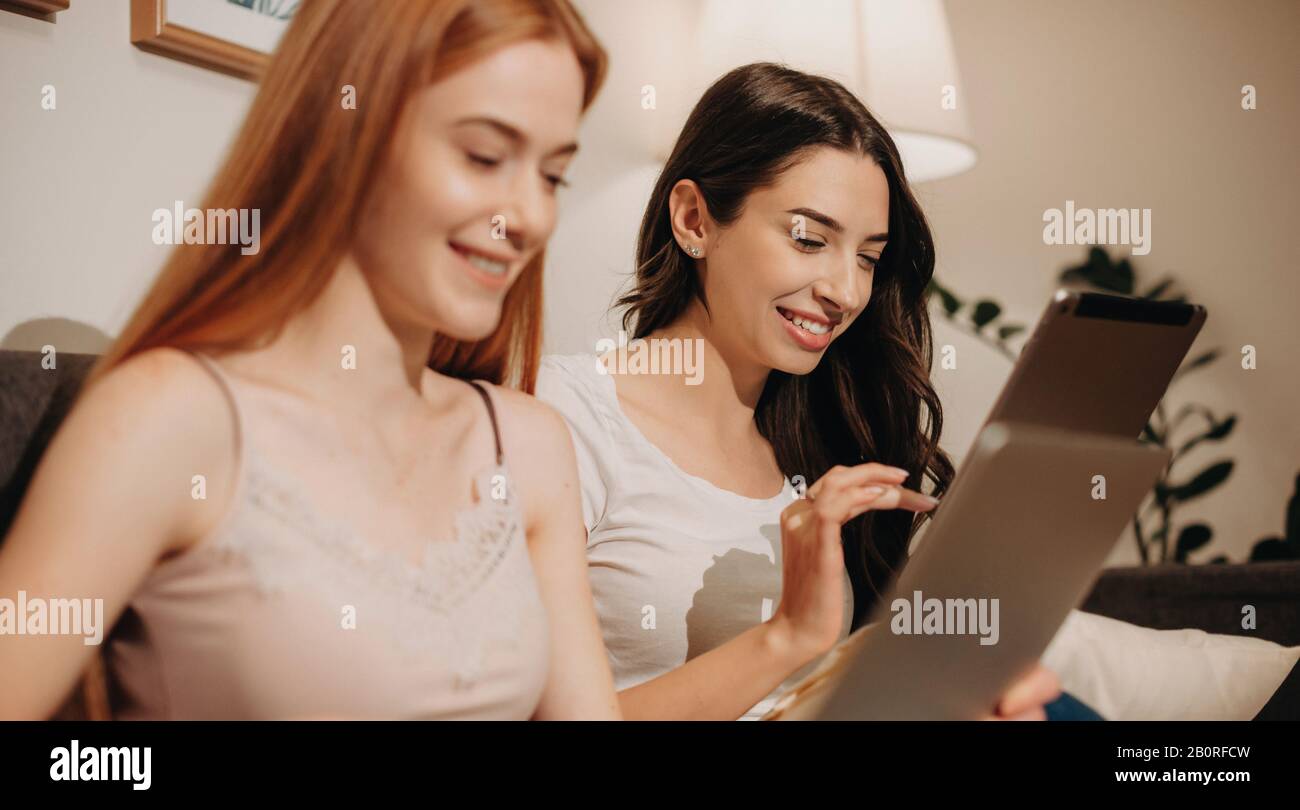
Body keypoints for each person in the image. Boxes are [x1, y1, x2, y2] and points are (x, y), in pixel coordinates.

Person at [0, 0, 619, 720]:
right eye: (484, 156)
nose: (533, 216)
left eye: (552, 176)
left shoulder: (533, 447)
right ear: (343, 129)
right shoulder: (169, 418)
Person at [536, 62, 1068, 720]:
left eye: (868, 258)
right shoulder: (561, 421)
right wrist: (786, 637)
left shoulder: (824, 437)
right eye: (809, 238)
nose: (845, 292)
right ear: (694, 219)